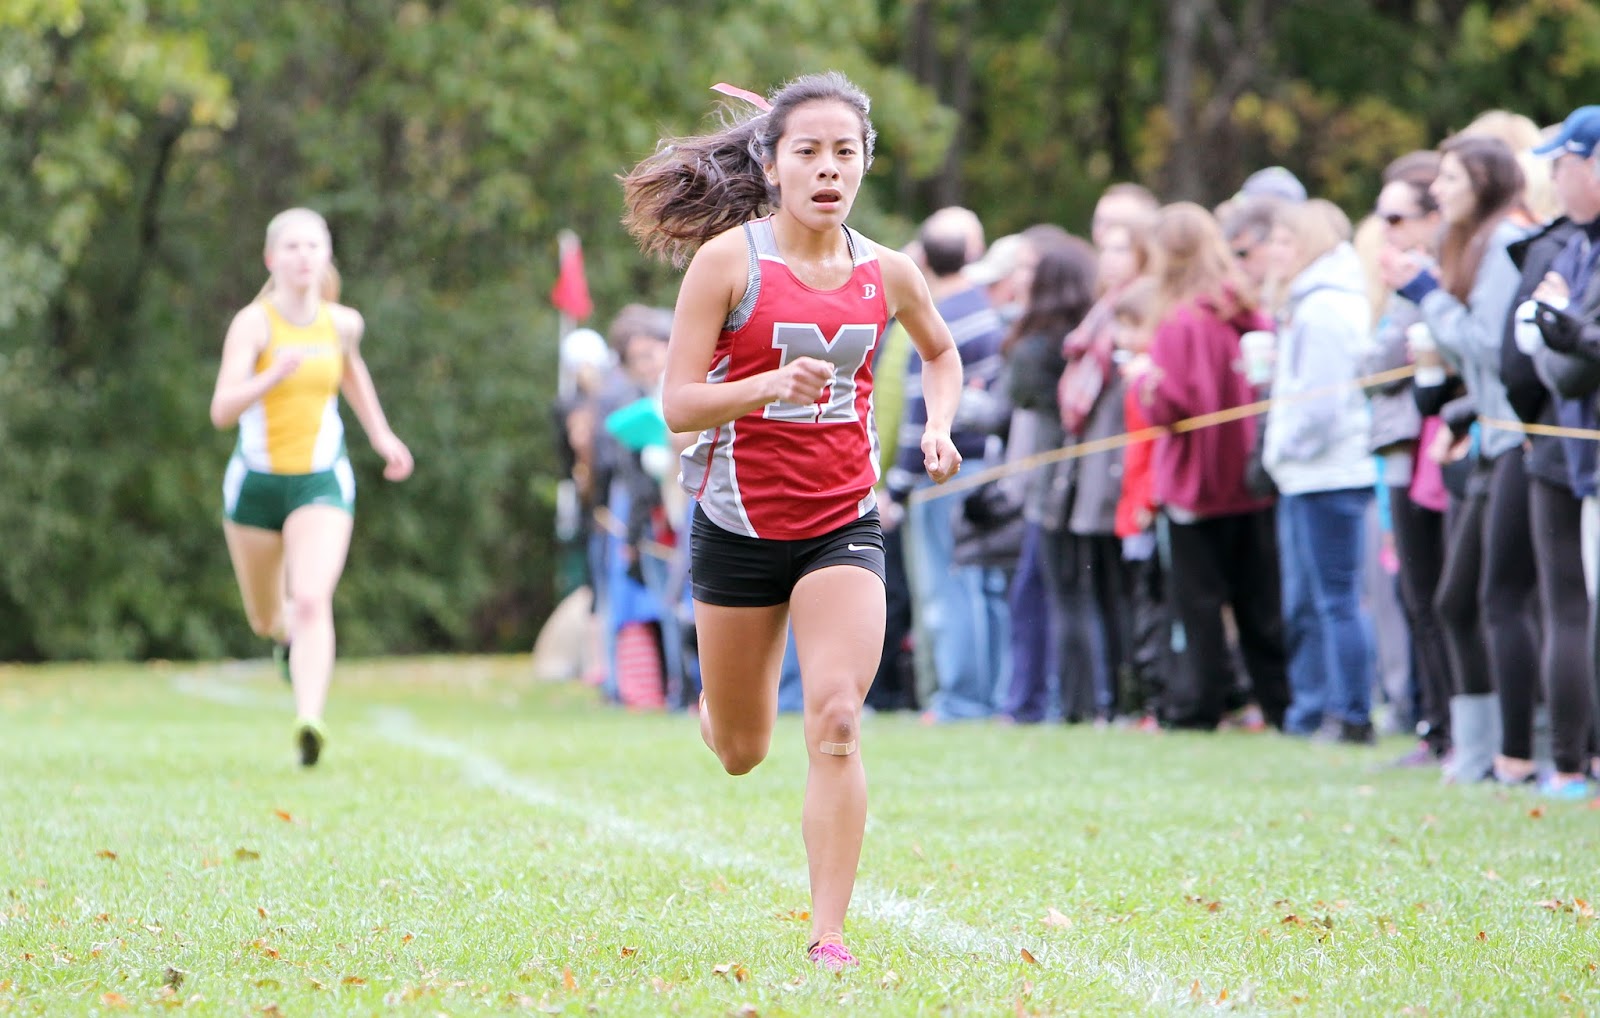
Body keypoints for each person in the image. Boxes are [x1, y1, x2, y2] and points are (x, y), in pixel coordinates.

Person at [620, 71, 963, 970]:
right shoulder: (730, 262)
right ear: (771, 165)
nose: (827, 169)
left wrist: (937, 424)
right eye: (807, 151)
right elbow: (678, 404)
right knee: (741, 750)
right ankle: (718, 701)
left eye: (844, 153)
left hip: (841, 523)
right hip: (735, 525)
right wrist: (767, 386)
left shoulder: (888, 272)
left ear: (864, 167)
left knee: (839, 717)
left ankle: (829, 935)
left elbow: (942, 352)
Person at [209, 207, 414, 767]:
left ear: (327, 257)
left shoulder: (343, 322)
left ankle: (309, 718)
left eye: (313, 246)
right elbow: (222, 410)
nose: (304, 257)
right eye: (292, 247)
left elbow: (350, 370)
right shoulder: (254, 324)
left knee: (310, 598)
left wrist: (381, 435)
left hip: (320, 482)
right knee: (267, 617)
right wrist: (271, 375)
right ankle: (283, 647)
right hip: (254, 486)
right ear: (272, 259)